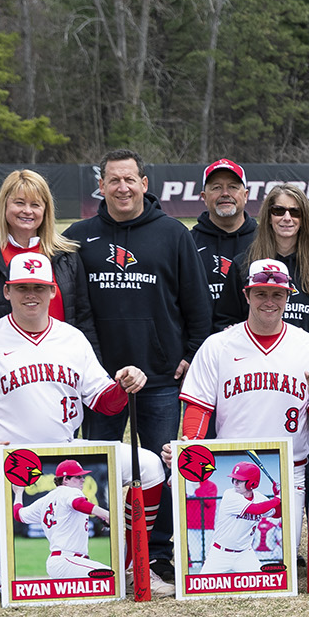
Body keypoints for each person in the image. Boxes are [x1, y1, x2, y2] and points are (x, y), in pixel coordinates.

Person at [0, 253, 148, 592]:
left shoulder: (72, 339)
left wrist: (124, 384)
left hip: (65, 451)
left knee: (150, 467)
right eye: (21, 288)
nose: (30, 295)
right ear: (7, 292)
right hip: (12, 464)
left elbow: (104, 403)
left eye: (38, 287)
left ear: (53, 291)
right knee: (13, 587)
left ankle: (136, 559)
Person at [70, 148, 211, 588]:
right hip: (102, 383)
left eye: (130, 179)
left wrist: (191, 351)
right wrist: (92, 366)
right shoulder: (79, 236)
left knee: (168, 469)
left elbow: (196, 302)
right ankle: (106, 551)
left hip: (162, 377)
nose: (123, 188)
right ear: (102, 186)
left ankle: (160, 553)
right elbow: (77, 311)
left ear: (144, 184)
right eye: (113, 180)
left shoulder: (172, 233)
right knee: (100, 468)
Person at [177, 259, 309, 563]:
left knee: (276, 566)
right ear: (246, 295)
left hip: (292, 467)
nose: (269, 302)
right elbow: (199, 405)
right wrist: (190, 440)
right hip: (234, 464)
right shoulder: (218, 345)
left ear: (289, 296)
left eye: (277, 294)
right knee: (230, 548)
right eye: (261, 293)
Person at [0, 168, 96, 353]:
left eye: (35, 205)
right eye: (19, 203)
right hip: (6, 370)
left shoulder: (67, 256)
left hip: (61, 366)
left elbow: (84, 320)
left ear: (46, 210)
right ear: (4, 205)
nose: (27, 211)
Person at [213, 183, 309, 350]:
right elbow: (226, 319)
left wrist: (307, 347)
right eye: (279, 211)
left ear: (304, 219)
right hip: (255, 361)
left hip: (305, 361)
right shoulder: (244, 265)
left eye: (295, 212)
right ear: (269, 217)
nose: (287, 217)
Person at [13, 461, 116, 580]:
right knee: (114, 579)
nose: (82, 479)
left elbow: (18, 515)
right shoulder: (69, 491)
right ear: (66, 479)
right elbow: (78, 503)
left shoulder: (45, 500)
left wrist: (18, 493)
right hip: (68, 560)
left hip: (62, 562)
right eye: (78, 476)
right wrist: (107, 514)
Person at [190, 159, 256, 305]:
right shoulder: (189, 242)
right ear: (204, 197)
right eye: (216, 187)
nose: (225, 193)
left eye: (233, 187)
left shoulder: (263, 240)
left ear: (245, 195)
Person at [200, 462, 279, 574]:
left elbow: (276, 513)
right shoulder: (230, 495)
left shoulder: (259, 497)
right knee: (202, 587)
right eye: (234, 479)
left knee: (262, 585)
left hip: (244, 554)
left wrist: (278, 496)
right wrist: (277, 500)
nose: (235, 483)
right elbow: (255, 509)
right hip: (220, 553)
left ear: (252, 483)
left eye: (240, 480)